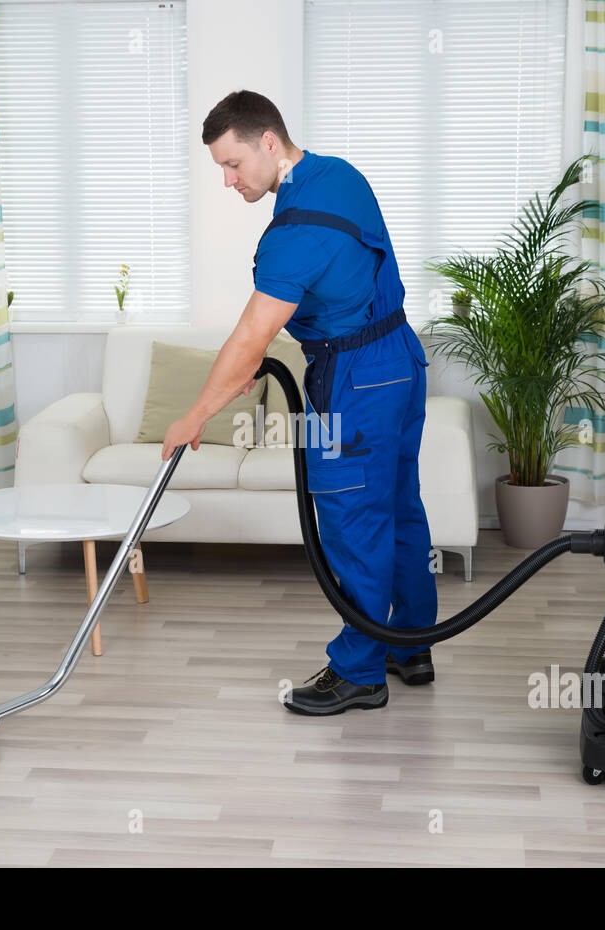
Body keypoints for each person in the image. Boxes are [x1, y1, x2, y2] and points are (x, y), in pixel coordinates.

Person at [161, 90, 437, 716]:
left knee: (351, 519)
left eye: (232, 165)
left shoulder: (295, 232)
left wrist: (195, 414)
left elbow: (250, 338)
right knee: (397, 504)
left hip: (355, 382)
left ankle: (361, 672)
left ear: (267, 142)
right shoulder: (337, 174)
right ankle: (410, 642)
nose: (228, 182)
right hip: (400, 363)